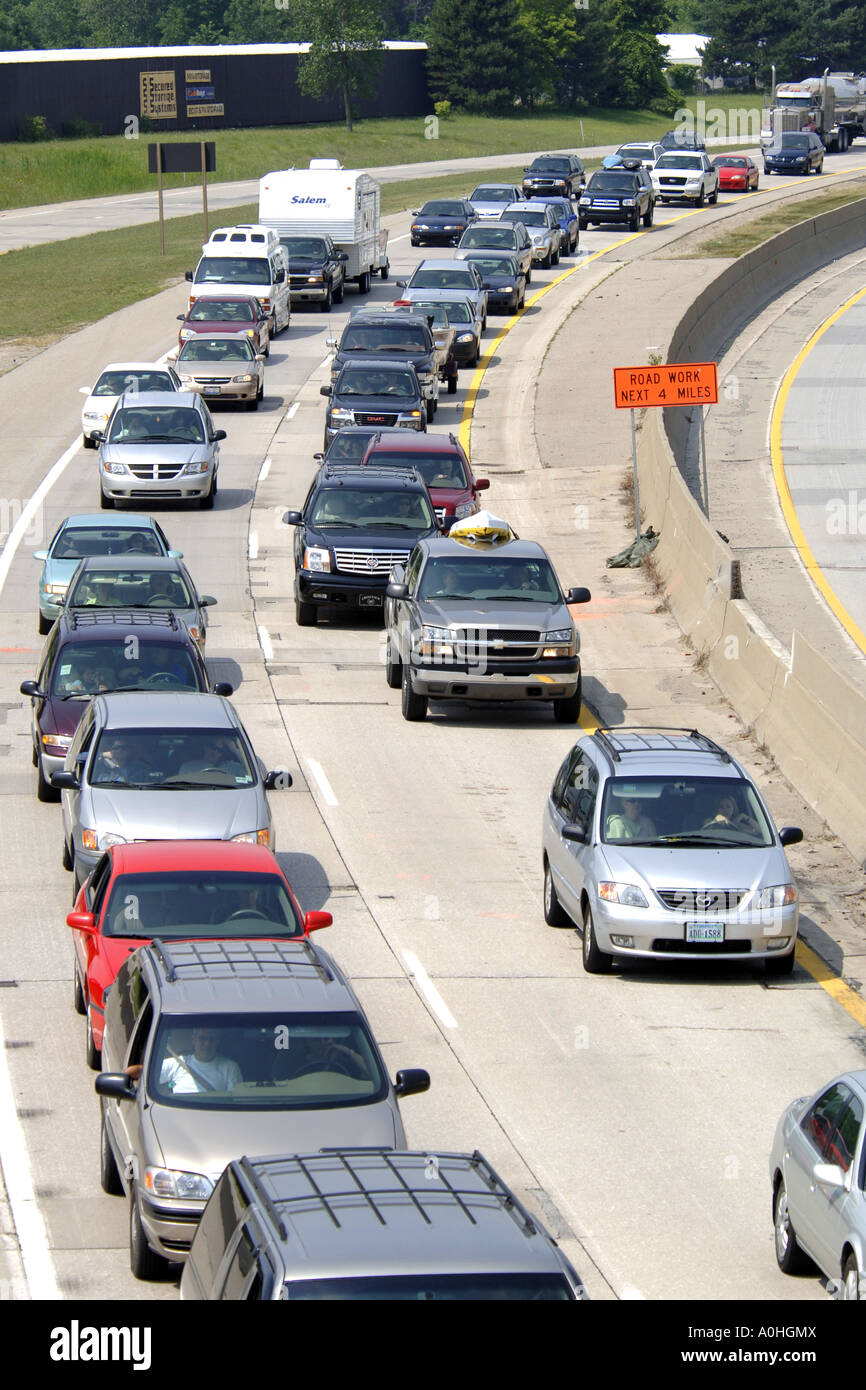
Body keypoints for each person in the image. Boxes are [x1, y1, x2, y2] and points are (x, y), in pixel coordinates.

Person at [158, 1026, 242, 1095]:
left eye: (211, 1039)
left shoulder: (230, 1067)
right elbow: (147, 1080)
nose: (207, 1044)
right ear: (193, 1040)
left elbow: (234, 1099)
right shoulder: (176, 1063)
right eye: (202, 1038)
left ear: (217, 1042)